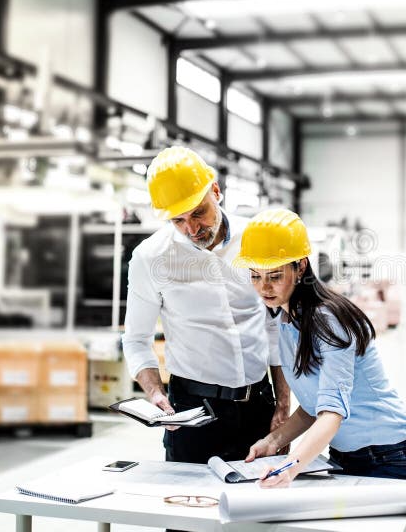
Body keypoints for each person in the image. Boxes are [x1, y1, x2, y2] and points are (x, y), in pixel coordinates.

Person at [233, 208, 406, 487]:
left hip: (392, 458)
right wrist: (272, 441)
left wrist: (289, 468)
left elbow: (332, 413)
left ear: (300, 267)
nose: (264, 287)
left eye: (274, 276)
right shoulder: (286, 322)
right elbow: (313, 407)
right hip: (345, 456)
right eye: (255, 276)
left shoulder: (328, 320)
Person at [122, 147, 290, 464]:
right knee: (191, 494)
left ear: (215, 190)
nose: (191, 229)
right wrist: (155, 393)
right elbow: (135, 339)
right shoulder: (150, 258)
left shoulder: (256, 239)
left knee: (263, 491)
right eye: (178, 220)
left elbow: (274, 327)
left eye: (198, 212)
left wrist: (283, 404)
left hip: (258, 404)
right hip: (192, 412)